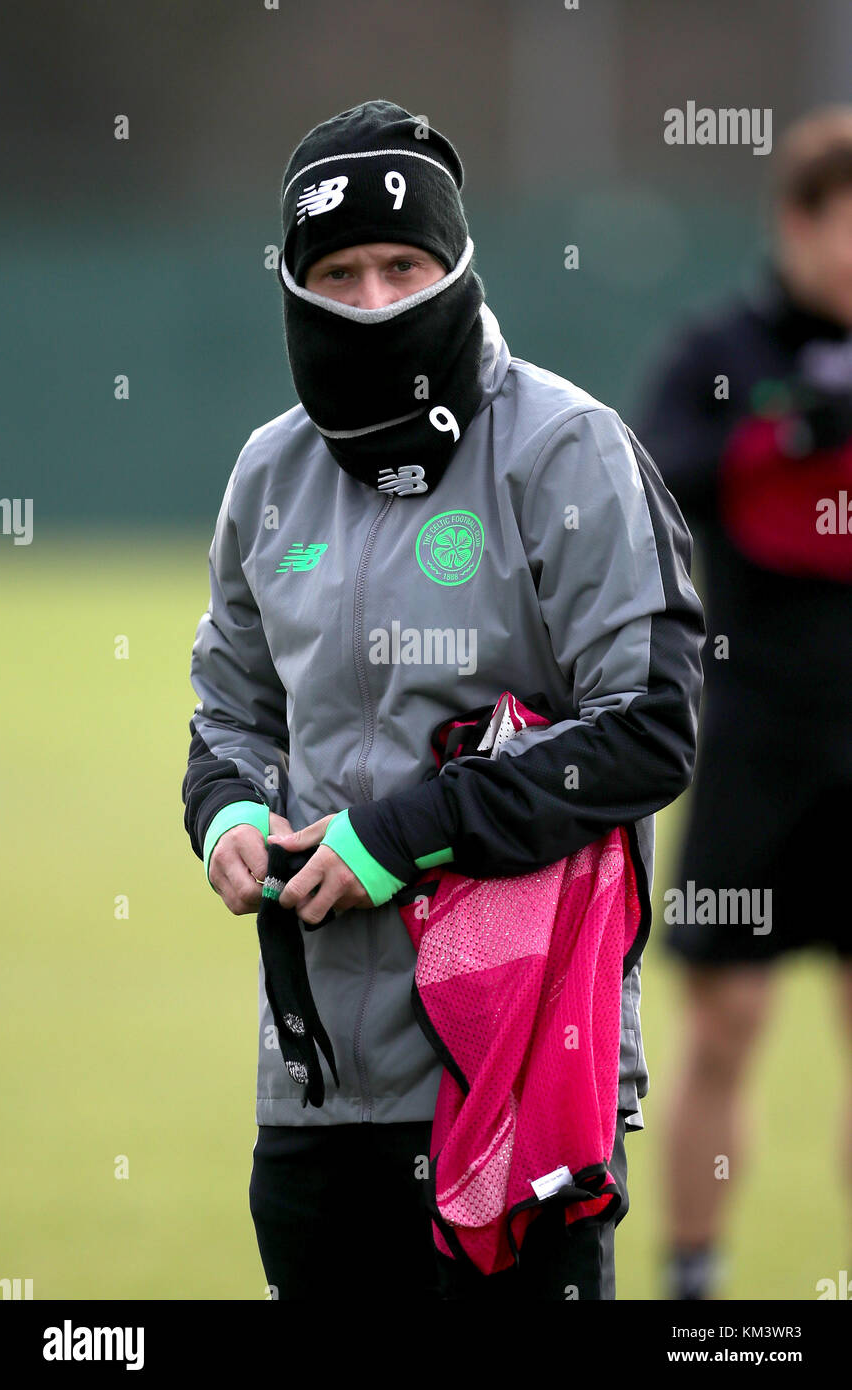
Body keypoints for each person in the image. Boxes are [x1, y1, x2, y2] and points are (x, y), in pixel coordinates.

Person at [181, 98, 705, 1301]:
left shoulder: (567, 449)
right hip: (314, 1084)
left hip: (517, 1077)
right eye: (340, 272)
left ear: (456, 264)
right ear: (296, 286)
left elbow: (644, 727)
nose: (374, 301)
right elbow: (229, 711)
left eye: (403, 265)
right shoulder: (268, 471)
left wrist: (397, 837)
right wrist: (226, 814)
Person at [635, 106, 852, 1302]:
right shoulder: (719, 347)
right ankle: (692, 1284)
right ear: (798, 223)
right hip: (753, 740)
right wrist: (773, 436)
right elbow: (646, 478)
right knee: (724, 1025)